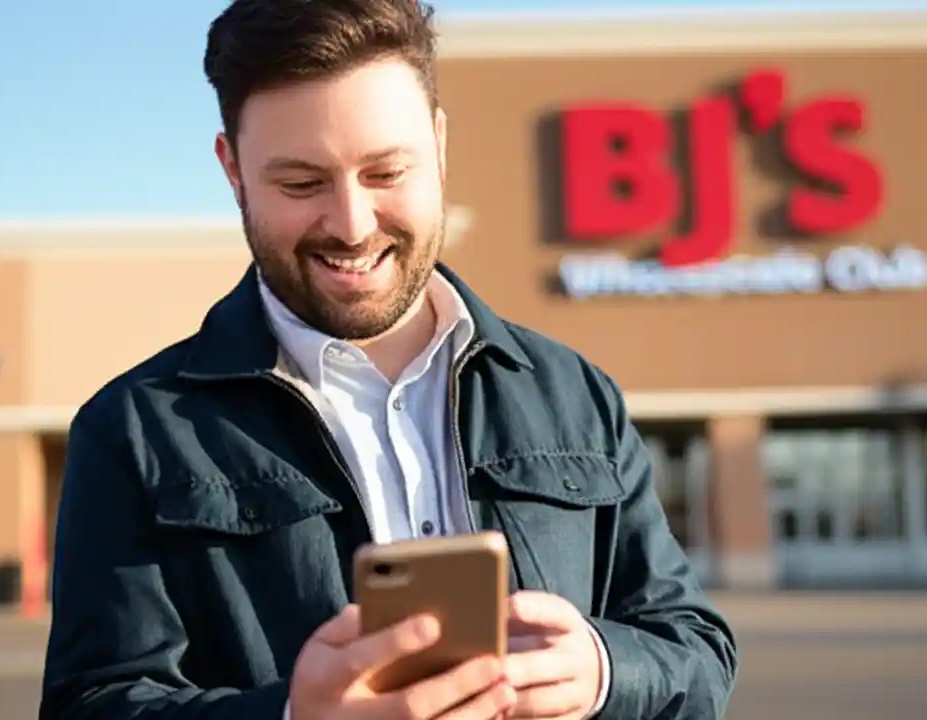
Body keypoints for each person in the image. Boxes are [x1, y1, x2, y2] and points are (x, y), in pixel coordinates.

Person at [39, 1, 738, 718]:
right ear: (232, 169)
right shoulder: (132, 433)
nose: (351, 224)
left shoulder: (575, 395)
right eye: (301, 184)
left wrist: (602, 670)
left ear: (437, 145)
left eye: (384, 173)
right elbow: (90, 702)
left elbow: (696, 651)